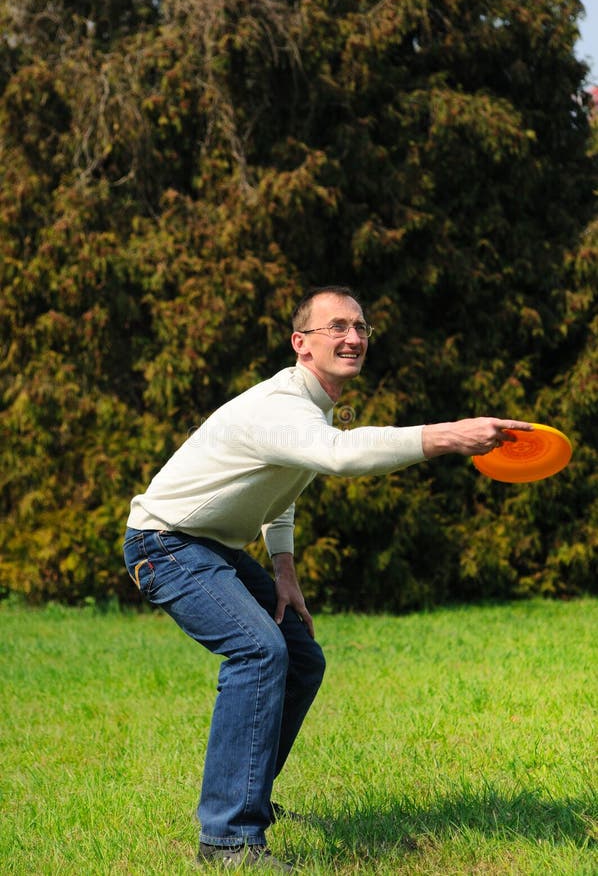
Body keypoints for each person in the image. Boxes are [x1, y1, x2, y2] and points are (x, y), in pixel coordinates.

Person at [123, 285, 532, 870]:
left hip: (212, 548)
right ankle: (228, 841)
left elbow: (283, 488)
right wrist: (445, 435)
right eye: (336, 327)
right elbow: (338, 457)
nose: (353, 337)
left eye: (361, 327)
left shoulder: (310, 409)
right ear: (301, 344)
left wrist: (283, 571)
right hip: (165, 545)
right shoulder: (280, 405)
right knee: (258, 651)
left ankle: (247, 796)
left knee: (301, 656)